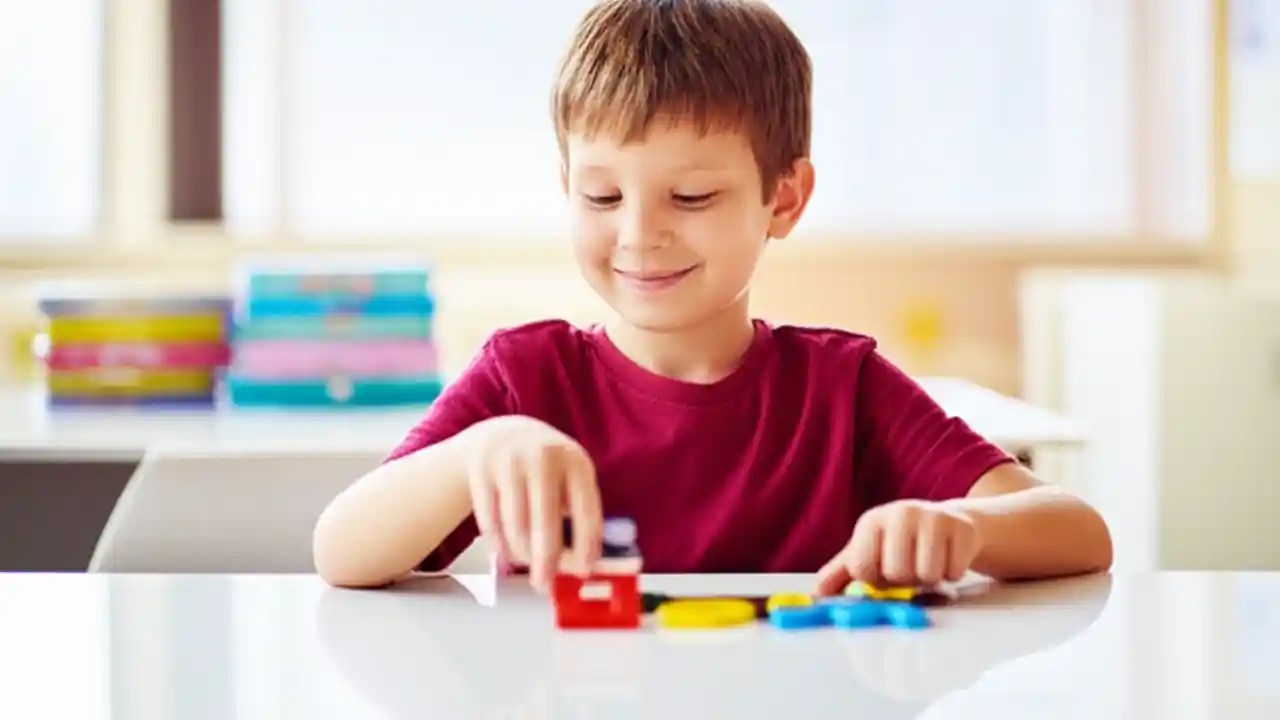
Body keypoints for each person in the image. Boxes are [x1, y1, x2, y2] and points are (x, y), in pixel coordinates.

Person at [312, 0, 1113, 593]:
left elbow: (1078, 530)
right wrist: (471, 453)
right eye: (600, 197)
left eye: (690, 198)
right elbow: (341, 551)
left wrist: (962, 527)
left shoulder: (843, 388)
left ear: (785, 200)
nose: (637, 235)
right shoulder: (525, 380)